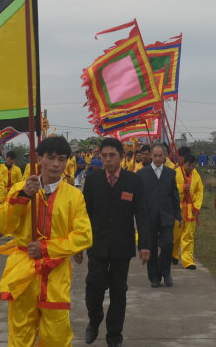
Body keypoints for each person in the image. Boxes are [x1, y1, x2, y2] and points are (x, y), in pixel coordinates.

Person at [0, 136, 92, 347]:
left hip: (56, 273)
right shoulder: (20, 188)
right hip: (23, 270)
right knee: (20, 333)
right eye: (51, 158)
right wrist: (21, 198)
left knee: (57, 335)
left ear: (68, 162)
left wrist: (47, 249)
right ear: (39, 159)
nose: (56, 164)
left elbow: (84, 236)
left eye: (62, 159)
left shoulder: (74, 196)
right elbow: (3, 226)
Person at [81, 138, 151, 347]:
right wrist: (78, 244)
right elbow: (83, 214)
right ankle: (94, 320)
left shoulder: (133, 180)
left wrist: (145, 244)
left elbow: (142, 213)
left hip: (122, 244)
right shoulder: (93, 180)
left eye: (112, 155)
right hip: (97, 243)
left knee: (118, 291)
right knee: (93, 286)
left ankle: (114, 335)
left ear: (121, 156)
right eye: (104, 156)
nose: (108, 160)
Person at [137, 143, 181, 287]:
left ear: (165, 156)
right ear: (150, 155)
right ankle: (154, 276)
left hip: (167, 215)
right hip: (149, 217)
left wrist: (178, 215)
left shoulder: (171, 173)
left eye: (160, 155)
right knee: (151, 247)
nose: (157, 158)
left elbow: (175, 195)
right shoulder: (142, 174)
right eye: (154, 155)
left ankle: (165, 272)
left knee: (168, 243)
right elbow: (140, 197)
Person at [172, 152, 203, 269]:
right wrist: (183, 188)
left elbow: (200, 191)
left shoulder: (196, 175)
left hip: (191, 209)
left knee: (188, 235)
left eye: (193, 166)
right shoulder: (175, 172)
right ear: (183, 163)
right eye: (189, 165)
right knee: (175, 235)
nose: (191, 168)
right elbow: (171, 188)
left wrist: (197, 206)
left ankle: (188, 260)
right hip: (177, 208)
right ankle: (173, 254)